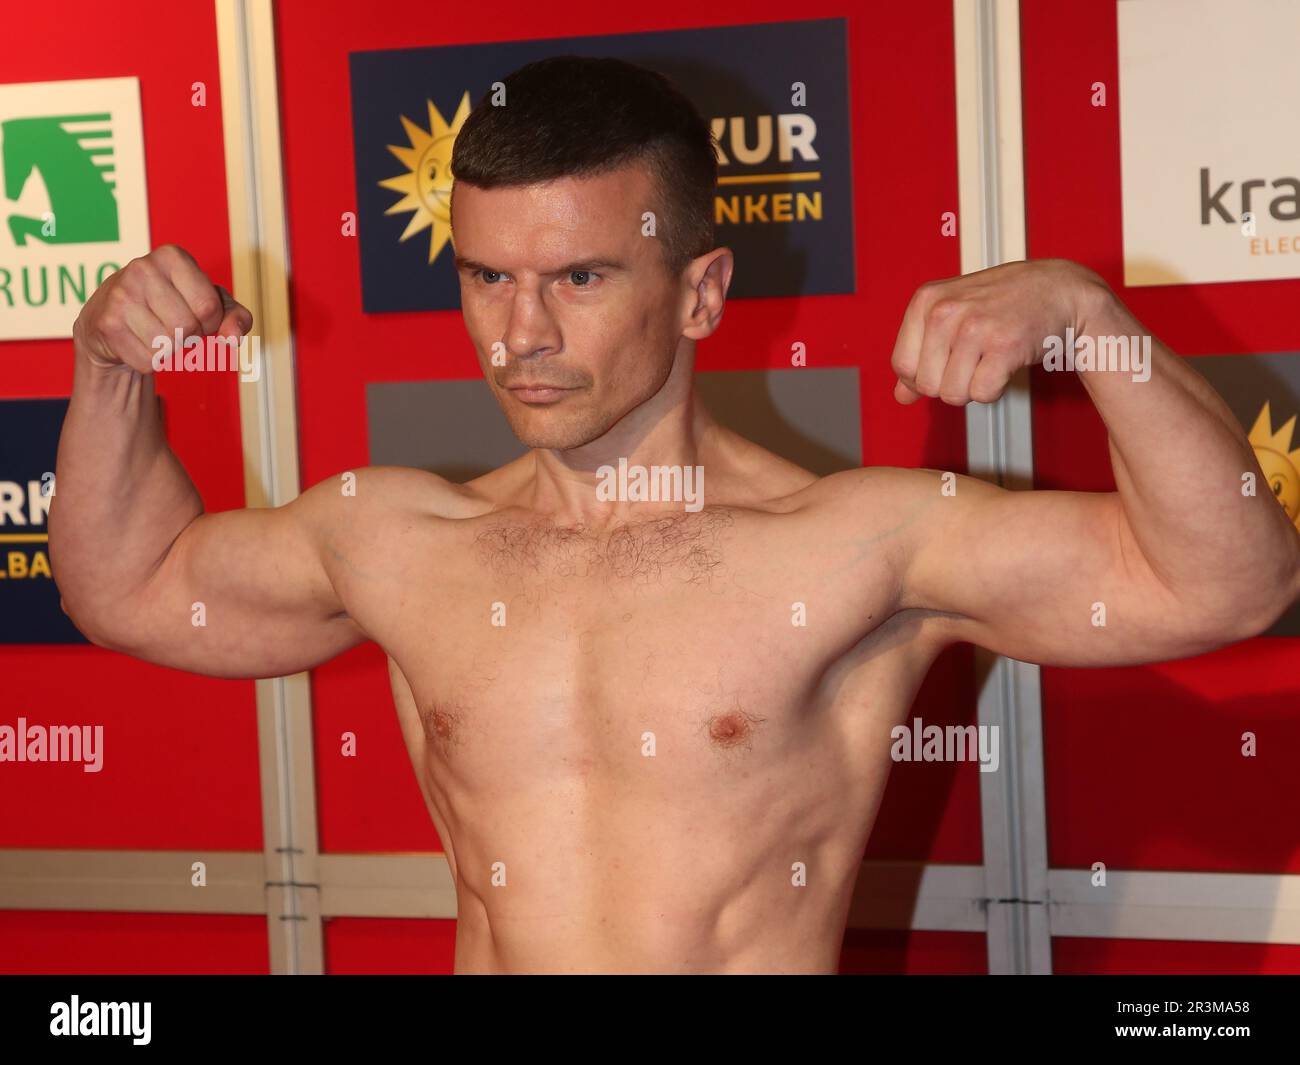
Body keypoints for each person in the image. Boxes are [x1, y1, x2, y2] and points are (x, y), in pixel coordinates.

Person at [49, 56, 1300, 974]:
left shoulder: (856, 544)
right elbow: (131, 586)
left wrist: (1092, 321)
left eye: (579, 279)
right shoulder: (397, 537)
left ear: (700, 293)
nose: (520, 335)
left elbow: (1227, 581)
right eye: (488, 278)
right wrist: (106, 364)